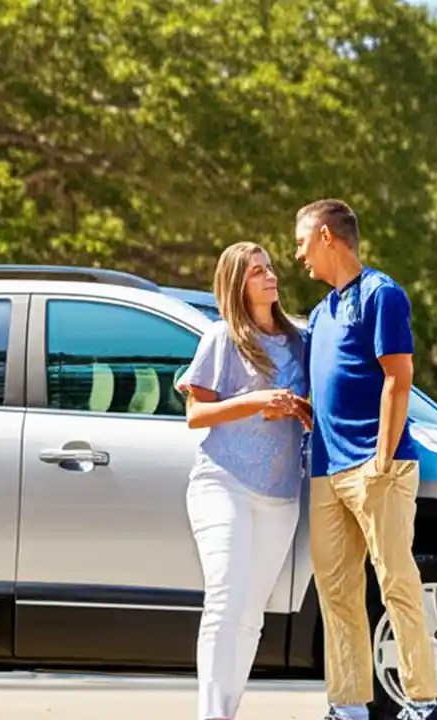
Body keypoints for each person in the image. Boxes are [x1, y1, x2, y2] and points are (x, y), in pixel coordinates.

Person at [293, 199, 437, 720]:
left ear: (328, 237)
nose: (298, 255)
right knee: (337, 592)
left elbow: (398, 376)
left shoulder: (382, 294)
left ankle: (423, 701)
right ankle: (349, 704)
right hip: (326, 472)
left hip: (378, 468)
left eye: (302, 241)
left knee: (397, 583)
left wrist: (381, 458)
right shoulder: (320, 312)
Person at [175, 240, 312, 720]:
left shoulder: (300, 339)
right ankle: (210, 715)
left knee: (251, 615)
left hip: (280, 495)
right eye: (257, 271)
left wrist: (303, 412)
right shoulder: (222, 337)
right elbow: (197, 414)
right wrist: (257, 402)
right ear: (237, 283)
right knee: (225, 599)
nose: (270, 276)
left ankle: (227, 712)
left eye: (270, 267)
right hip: (223, 483)